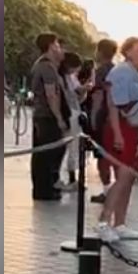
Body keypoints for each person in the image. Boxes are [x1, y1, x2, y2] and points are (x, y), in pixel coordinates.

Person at [97, 37, 138, 242]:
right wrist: (118, 133)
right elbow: (113, 105)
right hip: (120, 128)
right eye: (137, 50)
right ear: (126, 51)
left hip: (133, 129)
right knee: (124, 176)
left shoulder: (136, 73)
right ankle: (103, 221)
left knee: (128, 178)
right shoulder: (120, 72)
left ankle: (120, 223)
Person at [29, 32, 68, 201]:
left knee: (42, 154)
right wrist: (59, 118)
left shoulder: (42, 65)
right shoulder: (47, 67)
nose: (60, 49)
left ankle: (43, 188)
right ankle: (45, 189)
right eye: (58, 45)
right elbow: (51, 94)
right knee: (48, 154)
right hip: (47, 116)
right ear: (52, 46)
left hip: (42, 115)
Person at [88, 39, 118, 204]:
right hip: (116, 118)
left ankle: (107, 191)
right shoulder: (117, 70)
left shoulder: (101, 72)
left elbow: (98, 97)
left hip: (103, 117)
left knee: (102, 156)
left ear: (99, 51)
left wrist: (93, 118)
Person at [57, 51, 86, 190]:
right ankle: (71, 177)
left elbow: (78, 96)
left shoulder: (67, 77)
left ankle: (69, 176)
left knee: (70, 147)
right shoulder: (65, 78)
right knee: (72, 146)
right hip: (71, 113)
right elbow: (76, 95)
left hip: (72, 112)